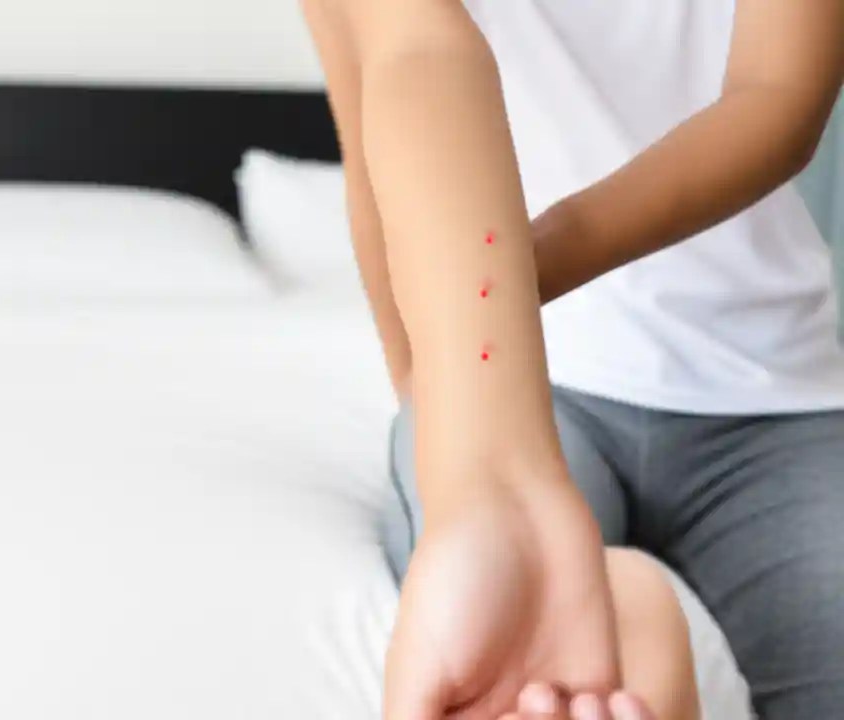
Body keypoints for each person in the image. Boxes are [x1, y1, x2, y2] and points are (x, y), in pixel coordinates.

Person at [297, 0, 844, 719]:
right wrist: (428, 390)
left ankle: (626, 607)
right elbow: (395, 95)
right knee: (524, 603)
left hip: (775, 387)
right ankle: (630, 608)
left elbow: (780, 98)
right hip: (537, 387)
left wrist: (518, 276)